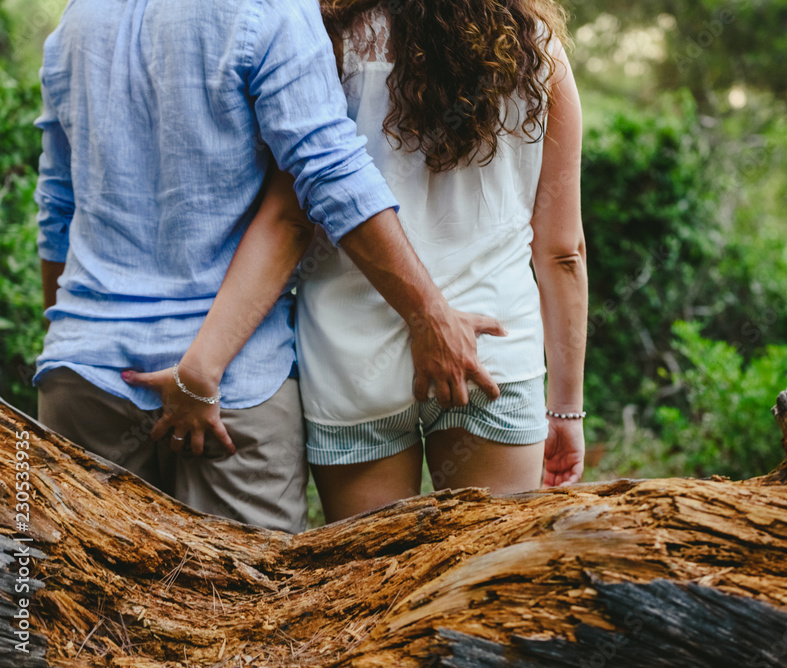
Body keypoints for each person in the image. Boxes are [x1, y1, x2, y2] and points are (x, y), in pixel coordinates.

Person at [33, 0, 504, 534]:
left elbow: (57, 206)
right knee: (249, 609)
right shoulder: (269, 8)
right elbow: (324, 178)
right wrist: (430, 316)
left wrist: (73, 336)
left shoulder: (78, 18)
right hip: (232, 392)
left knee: (84, 610)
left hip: (85, 377)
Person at [131, 0, 589, 524]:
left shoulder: (331, 41)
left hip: (350, 361)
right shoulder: (536, 49)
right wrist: (566, 407)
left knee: (370, 583)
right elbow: (562, 252)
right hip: (490, 354)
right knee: (485, 582)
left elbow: (292, 215)